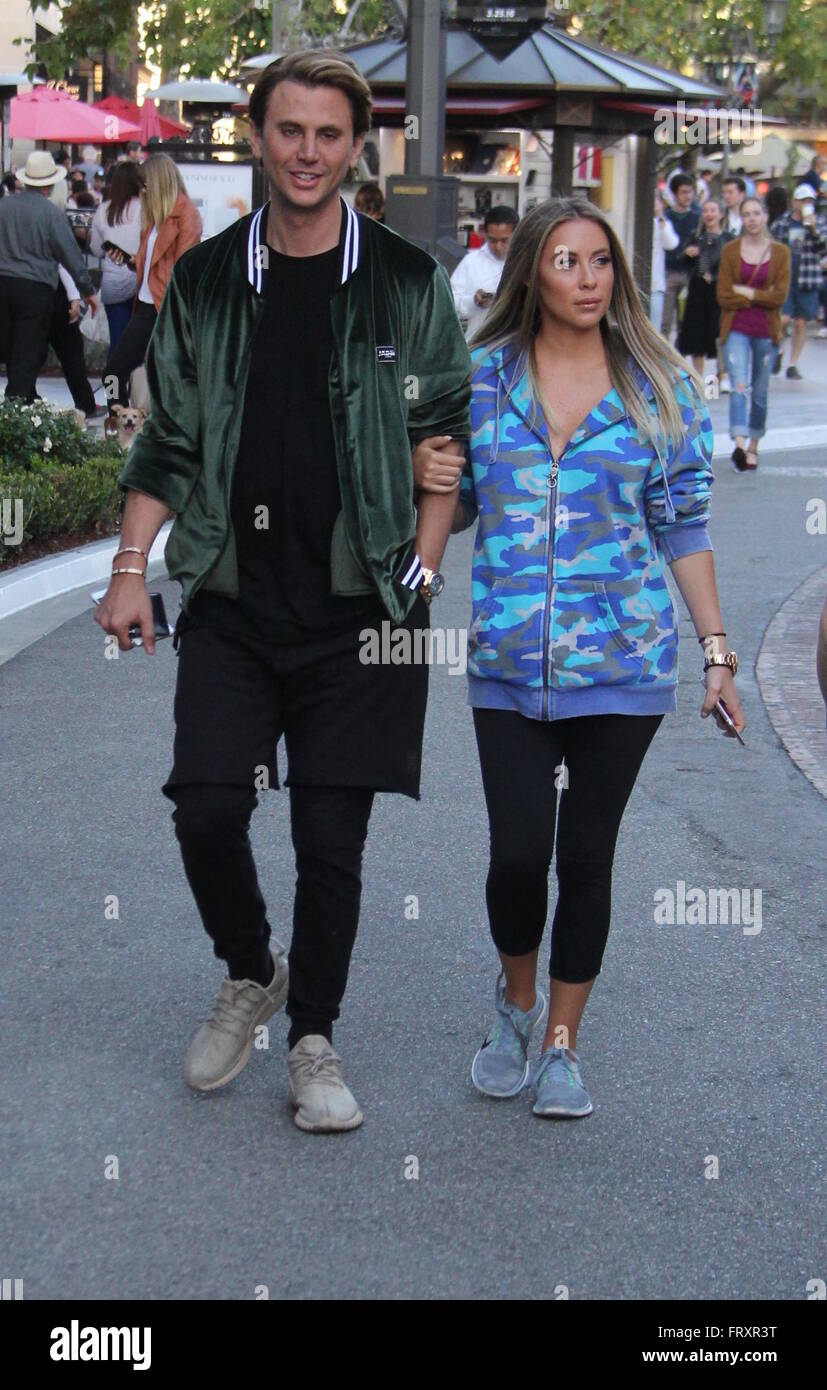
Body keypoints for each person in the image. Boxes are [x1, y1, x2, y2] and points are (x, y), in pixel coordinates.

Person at [93, 49, 471, 1133]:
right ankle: (250, 966)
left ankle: (313, 1037)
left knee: (329, 840)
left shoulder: (404, 279)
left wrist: (422, 567)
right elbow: (168, 435)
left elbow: (441, 431)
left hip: (364, 609)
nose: (307, 153)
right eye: (289, 131)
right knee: (208, 803)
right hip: (232, 594)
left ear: (357, 148)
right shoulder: (208, 279)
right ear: (258, 138)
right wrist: (130, 570)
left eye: (329, 135)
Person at [415, 194, 744, 1120]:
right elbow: (458, 504)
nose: (587, 278)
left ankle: (562, 1040)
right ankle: (514, 1003)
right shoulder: (480, 379)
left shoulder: (660, 386)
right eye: (564, 262)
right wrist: (423, 480)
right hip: (509, 665)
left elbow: (682, 523)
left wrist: (716, 650)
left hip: (625, 666)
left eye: (599, 261)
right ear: (529, 271)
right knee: (518, 857)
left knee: (586, 859)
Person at [102, 153, 201, 407]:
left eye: (145, 186)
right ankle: (122, 429)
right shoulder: (156, 215)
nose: (142, 192)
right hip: (147, 306)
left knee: (120, 374)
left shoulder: (186, 216)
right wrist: (129, 260)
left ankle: (125, 431)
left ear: (159, 182)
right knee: (116, 374)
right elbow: (153, 264)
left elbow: (184, 271)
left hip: (163, 309)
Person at [0, 151, 98, 402]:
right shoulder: (50, 213)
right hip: (35, 287)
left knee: (12, 349)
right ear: (50, 183)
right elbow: (70, 255)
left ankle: (20, 401)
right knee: (27, 350)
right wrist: (87, 291)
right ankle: (18, 409)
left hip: (3, 283)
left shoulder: (4, 206)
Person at [717, 197, 791, 472]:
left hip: (766, 330)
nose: (751, 219)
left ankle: (753, 446)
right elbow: (724, 295)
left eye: (756, 213)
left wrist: (747, 292)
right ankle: (738, 442)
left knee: (760, 391)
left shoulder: (781, 253)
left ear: (765, 216)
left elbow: (779, 297)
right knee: (738, 385)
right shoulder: (730, 251)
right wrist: (760, 297)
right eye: (746, 214)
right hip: (736, 326)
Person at [770, 183, 827, 379]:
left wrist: (813, 230)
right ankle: (778, 349)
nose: (806, 204)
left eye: (810, 201)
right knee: (783, 319)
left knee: (801, 322)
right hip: (784, 277)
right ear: (794, 202)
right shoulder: (782, 223)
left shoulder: (819, 223)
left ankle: (793, 364)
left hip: (807, 277)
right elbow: (771, 247)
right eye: (803, 200)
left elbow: (823, 250)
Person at [89, 160, 143, 353]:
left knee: (118, 346)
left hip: (113, 283)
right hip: (141, 282)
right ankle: (137, 383)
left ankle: (113, 383)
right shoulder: (147, 208)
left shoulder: (103, 210)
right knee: (140, 347)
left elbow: (96, 249)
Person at [677, 197, 730, 378]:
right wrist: (688, 253)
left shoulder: (728, 238)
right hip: (697, 290)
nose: (709, 214)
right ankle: (699, 379)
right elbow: (682, 262)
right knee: (696, 333)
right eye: (706, 210)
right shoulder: (695, 236)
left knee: (717, 332)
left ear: (721, 214)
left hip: (719, 291)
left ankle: (720, 375)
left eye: (713, 210)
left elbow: (732, 265)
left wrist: (715, 276)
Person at [451, 205, 519, 342]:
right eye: (493, 240)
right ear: (485, 235)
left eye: (505, 240)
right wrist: (474, 301)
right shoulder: (471, 262)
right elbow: (450, 301)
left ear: (517, 234)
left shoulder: (527, 262)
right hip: (479, 344)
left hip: (517, 344)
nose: (498, 247)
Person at [662, 173, 703, 340]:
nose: (688, 196)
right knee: (664, 322)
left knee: (685, 324)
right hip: (669, 272)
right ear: (674, 194)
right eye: (684, 192)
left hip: (689, 273)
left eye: (690, 192)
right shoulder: (666, 216)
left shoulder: (697, 217)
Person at [650, 187, 679, 332]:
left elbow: (671, 243)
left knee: (654, 331)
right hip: (635, 285)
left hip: (655, 287)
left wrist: (660, 216)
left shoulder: (661, 224)